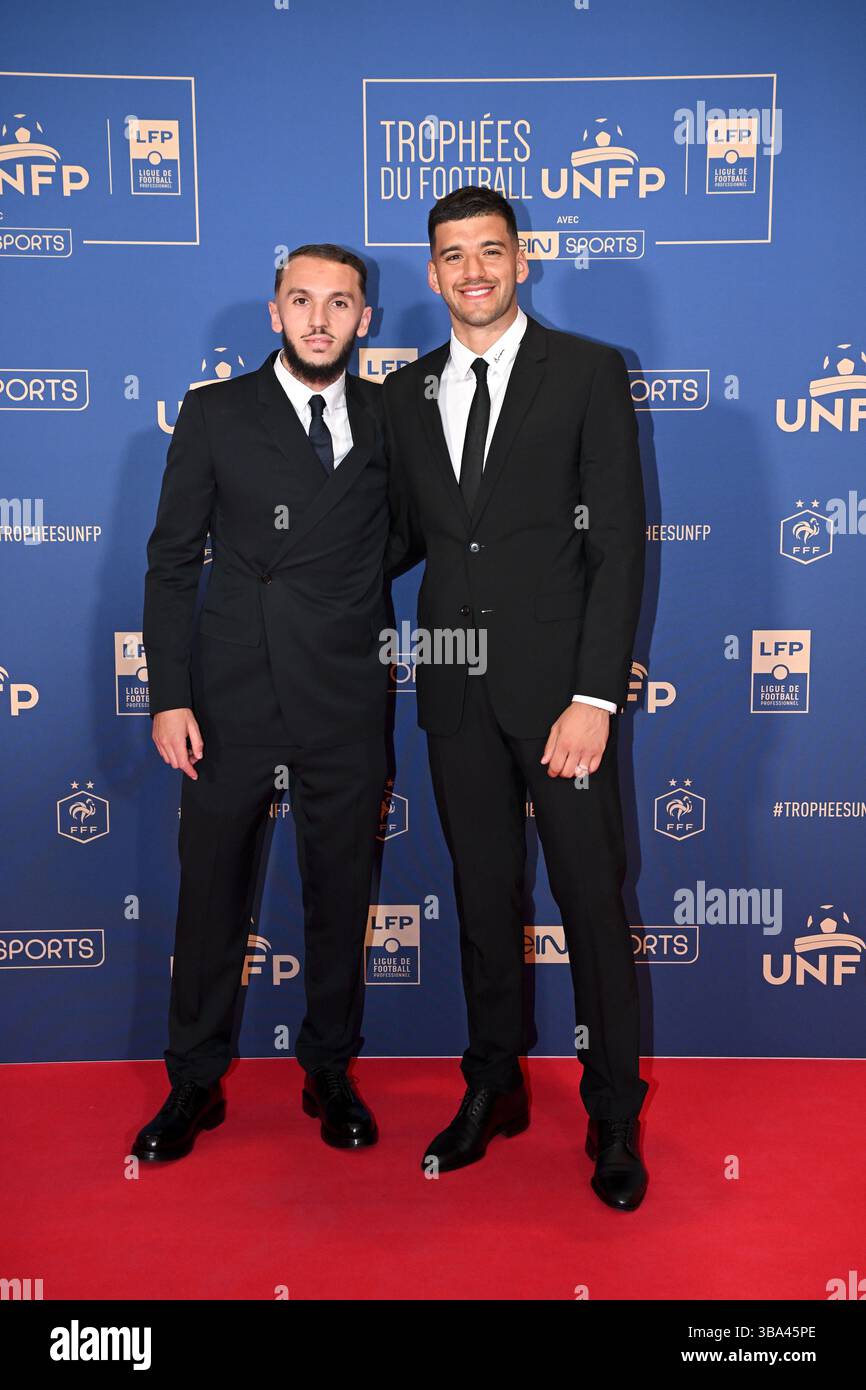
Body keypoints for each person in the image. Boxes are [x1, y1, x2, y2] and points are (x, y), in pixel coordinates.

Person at [383, 186, 649, 1210]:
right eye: (451, 256)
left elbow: (614, 545)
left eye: (488, 251)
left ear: (522, 259)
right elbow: (404, 538)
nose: (471, 271)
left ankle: (613, 1116)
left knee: (589, 901)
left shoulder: (585, 372)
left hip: (560, 698)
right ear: (432, 272)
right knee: (482, 904)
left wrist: (592, 695)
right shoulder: (404, 395)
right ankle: (491, 1085)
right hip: (451, 684)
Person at [135, 244, 389, 1161]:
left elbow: (396, 542)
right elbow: (171, 562)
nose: (319, 319)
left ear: (366, 319)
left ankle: (328, 1069)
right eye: (301, 301)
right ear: (274, 311)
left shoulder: (390, 416)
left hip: (344, 692)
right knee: (211, 893)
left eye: (339, 304)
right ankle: (194, 1082)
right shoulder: (214, 413)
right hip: (229, 693)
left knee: (340, 889)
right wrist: (170, 696)